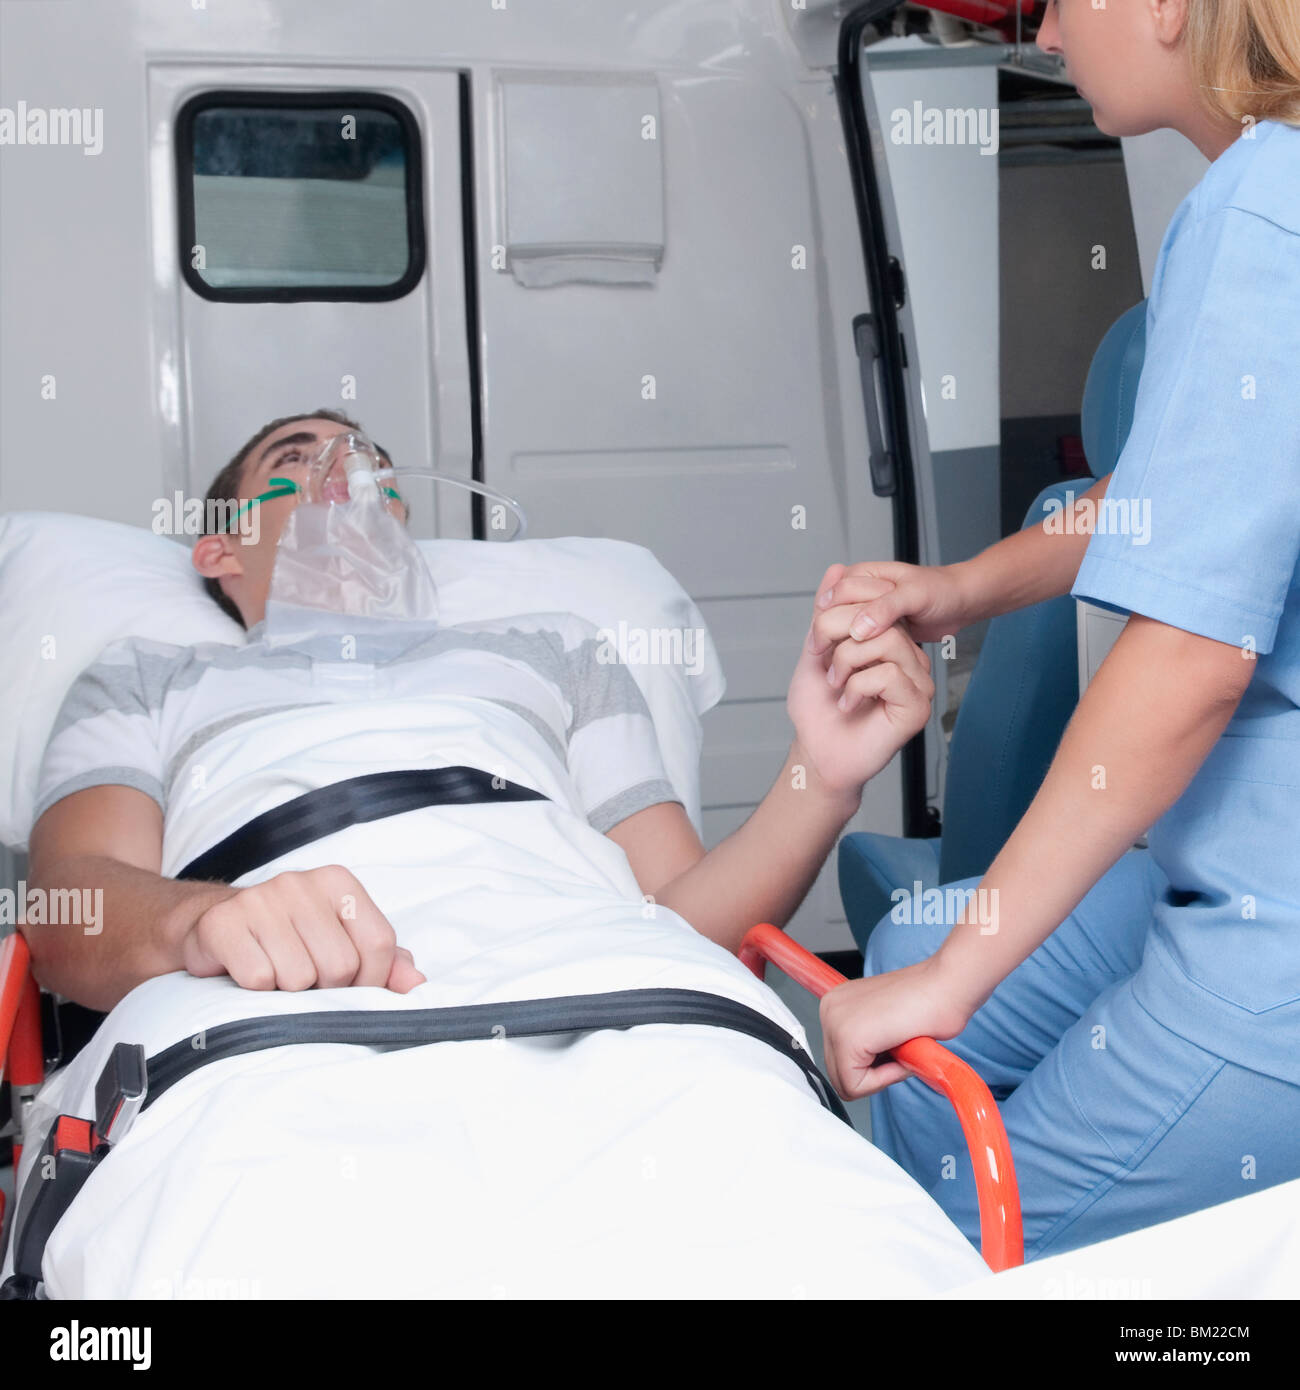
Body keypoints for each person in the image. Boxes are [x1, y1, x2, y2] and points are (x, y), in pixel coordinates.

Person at [816, 0, 1300, 1258]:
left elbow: (1192, 653)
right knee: (919, 936)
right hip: (1223, 848)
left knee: (956, 1197)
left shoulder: (1263, 200)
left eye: (1056, 2)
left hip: (1276, 912)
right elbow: (1166, 490)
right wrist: (957, 589)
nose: (1040, 29)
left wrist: (953, 980)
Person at [27, 409, 934, 1010]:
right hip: (281, 995)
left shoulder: (556, 647)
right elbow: (68, 909)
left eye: (368, 462)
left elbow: (682, 921)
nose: (342, 471)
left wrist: (822, 777)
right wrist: (203, 924)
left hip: (591, 991)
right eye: (296, 458)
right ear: (219, 550)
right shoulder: (149, 674)